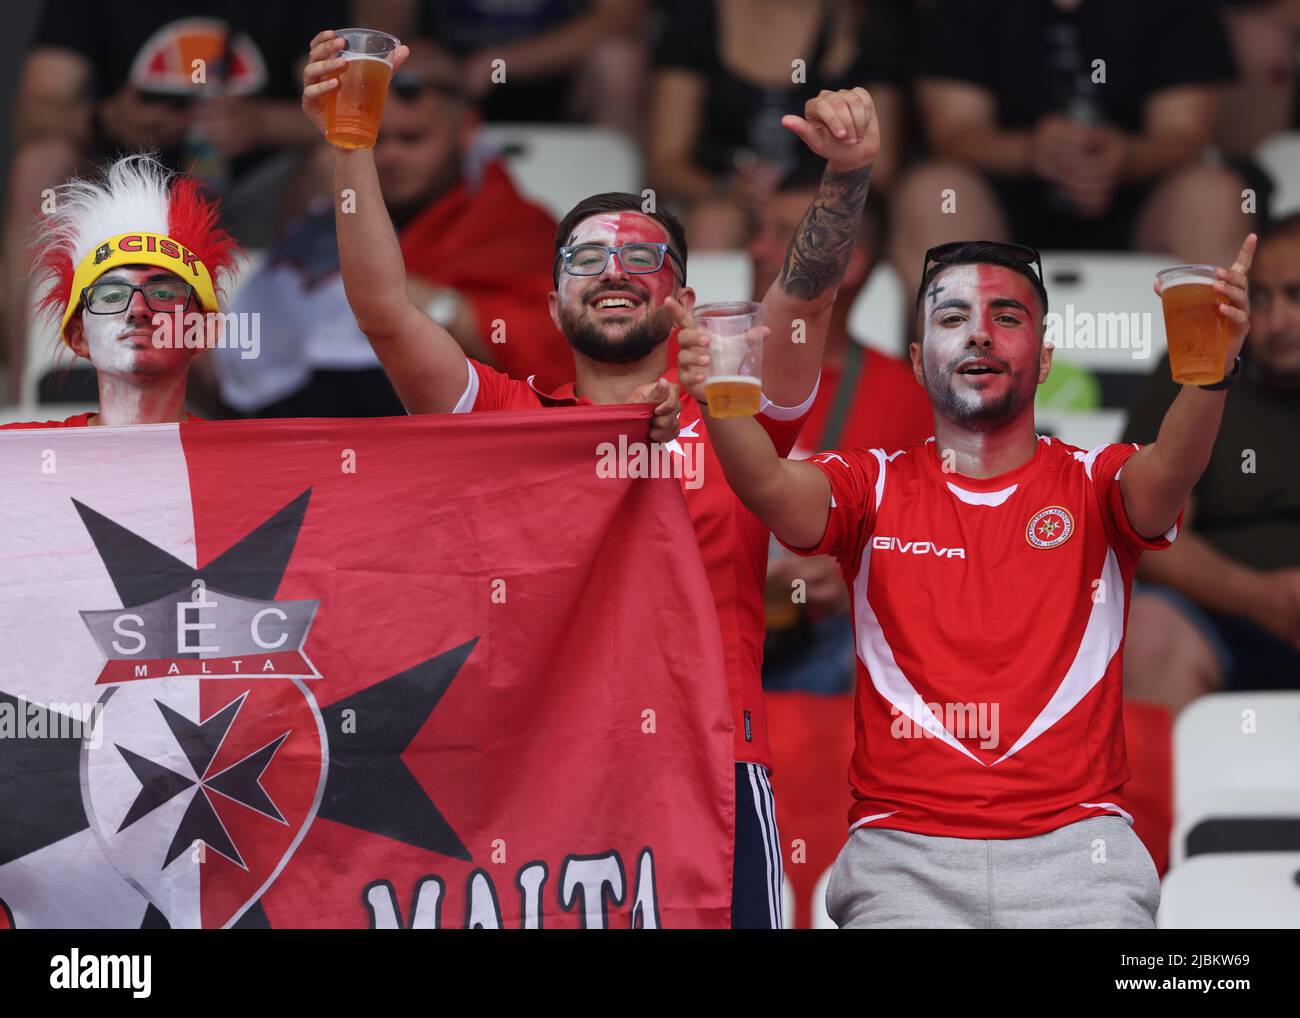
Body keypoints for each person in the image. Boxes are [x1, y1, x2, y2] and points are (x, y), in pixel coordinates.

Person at [303, 28, 880, 926]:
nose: (612, 271)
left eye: (643, 258)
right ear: (552, 305)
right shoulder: (506, 426)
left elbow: (804, 296)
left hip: (713, 773)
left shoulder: (735, 418)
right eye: (583, 261)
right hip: (540, 781)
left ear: (683, 300)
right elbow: (383, 310)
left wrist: (846, 178)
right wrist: (349, 144)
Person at [677, 234, 1256, 928]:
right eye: (952, 318)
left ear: (1044, 360)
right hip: (902, 865)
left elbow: (1174, 469)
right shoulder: (872, 482)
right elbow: (767, 485)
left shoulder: (1096, 481)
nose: (980, 332)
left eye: (1007, 318)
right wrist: (718, 395)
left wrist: (1210, 374)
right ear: (919, 362)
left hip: (1081, 862)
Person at [3, 0, 341, 404]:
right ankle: (26, 392)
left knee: (332, 163)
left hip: (259, 193)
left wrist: (262, 123)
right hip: (130, 193)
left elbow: (346, 109)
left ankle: (320, 391)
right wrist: (107, 119)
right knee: (40, 161)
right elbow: (30, 114)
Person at [212, 41, 569, 418]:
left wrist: (435, 306)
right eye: (377, 139)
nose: (391, 156)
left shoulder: (511, 224)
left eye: (412, 139)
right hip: (289, 425)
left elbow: (549, 345)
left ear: (466, 130)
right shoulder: (324, 209)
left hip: (436, 433)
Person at [891, 0, 1252, 306]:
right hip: (1000, 203)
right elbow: (952, 132)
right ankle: (943, 383)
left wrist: (1125, 157)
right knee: (933, 193)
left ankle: (1210, 382)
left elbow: (1186, 135)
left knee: (1214, 197)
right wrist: (1031, 151)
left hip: (1142, 203)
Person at [749, 164, 931, 693]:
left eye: (785, 235)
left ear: (847, 264)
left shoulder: (908, 399)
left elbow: (937, 554)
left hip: (825, 647)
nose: (758, 249)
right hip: (700, 628)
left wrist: (856, 578)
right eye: (758, 231)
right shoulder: (694, 366)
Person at [1122, 213, 1300, 714]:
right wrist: (1259, 596)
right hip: (1219, 618)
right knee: (1151, 633)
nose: (1277, 320)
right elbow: (1149, 538)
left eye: (1296, 296)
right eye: (1260, 298)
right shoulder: (1198, 365)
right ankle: (1142, 797)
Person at [1, 154, 240, 431]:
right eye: (112, 296)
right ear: (79, 336)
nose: (138, 309)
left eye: (163, 294)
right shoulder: (14, 456)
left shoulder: (247, 463)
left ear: (203, 331)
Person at [649, 0, 905, 249]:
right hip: (727, 201)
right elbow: (666, 164)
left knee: (819, 228)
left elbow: (879, 169)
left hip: (824, 198)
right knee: (714, 222)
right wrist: (725, 188)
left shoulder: (865, 17)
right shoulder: (696, 13)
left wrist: (816, 194)